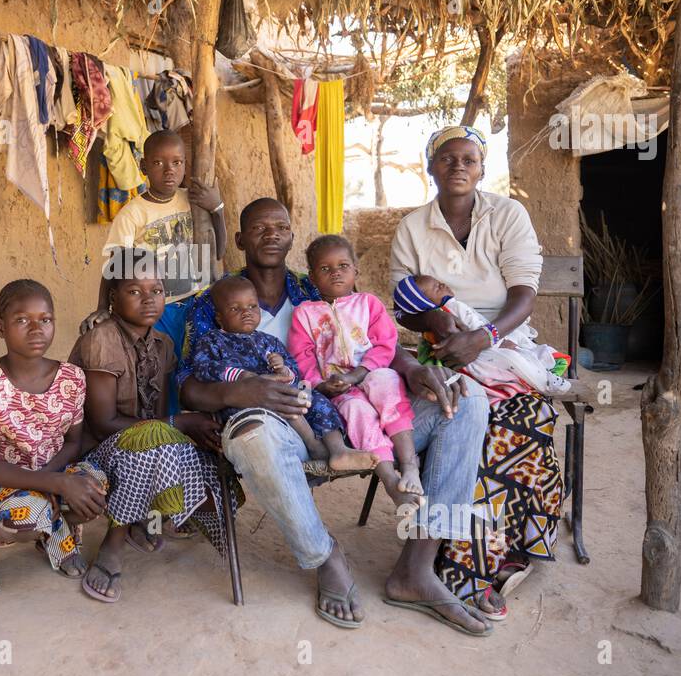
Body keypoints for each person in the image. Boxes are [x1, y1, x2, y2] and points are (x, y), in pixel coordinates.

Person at [179, 198, 493, 634]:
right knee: (255, 437)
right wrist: (238, 390)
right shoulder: (215, 300)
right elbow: (187, 382)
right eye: (259, 228)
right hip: (277, 428)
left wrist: (417, 369)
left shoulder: (318, 287)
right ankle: (325, 557)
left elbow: (374, 346)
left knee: (466, 402)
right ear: (240, 239)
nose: (271, 235)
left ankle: (417, 568)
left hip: (353, 412)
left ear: (292, 236)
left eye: (281, 227)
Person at [390, 124, 562, 613]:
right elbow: (404, 306)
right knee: (465, 414)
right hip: (441, 345)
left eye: (469, 159)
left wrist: (484, 336)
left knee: (520, 421)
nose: (458, 166)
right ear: (430, 167)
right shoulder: (412, 227)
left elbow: (525, 292)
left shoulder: (508, 214)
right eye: (447, 159)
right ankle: (465, 565)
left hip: (502, 340)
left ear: (482, 167)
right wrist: (443, 322)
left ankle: (497, 554)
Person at [68, 249, 228, 604]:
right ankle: (113, 542)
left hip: (136, 442)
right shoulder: (102, 340)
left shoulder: (163, 345)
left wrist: (180, 427)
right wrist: (178, 423)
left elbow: (153, 415)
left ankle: (143, 517)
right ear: (113, 297)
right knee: (159, 438)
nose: (148, 300)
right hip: (94, 449)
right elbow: (103, 421)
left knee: (193, 449)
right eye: (134, 291)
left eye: (156, 290)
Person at [0, 280, 110, 593]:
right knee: (29, 516)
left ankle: (52, 535)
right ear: (0, 328)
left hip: (54, 471)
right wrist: (55, 486)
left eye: (45, 320)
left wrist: (52, 481)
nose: (36, 329)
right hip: (3, 483)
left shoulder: (72, 377)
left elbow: (73, 443)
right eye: (22, 320)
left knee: (95, 488)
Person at [288, 234, 424, 506]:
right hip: (337, 388)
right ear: (312, 278)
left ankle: (409, 464)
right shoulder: (304, 314)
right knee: (355, 410)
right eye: (325, 269)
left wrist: (358, 374)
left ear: (355, 271)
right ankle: (390, 481)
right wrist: (320, 384)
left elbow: (386, 345)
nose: (335, 273)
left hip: (371, 373)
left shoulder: (369, 304)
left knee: (385, 382)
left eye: (343, 266)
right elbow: (301, 358)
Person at [188, 275, 373, 470]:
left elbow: (294, 368)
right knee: (278, 404)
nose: (246, 313)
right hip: (247, 402)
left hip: (282, 391)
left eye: (252, 306)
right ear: (219, 317)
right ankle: (313, 445)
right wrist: (240, 376)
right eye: (235, 309)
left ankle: (338, 449)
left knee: (316, 399)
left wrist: (283, 369)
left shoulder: (269, 341)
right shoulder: (212, 341)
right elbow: (202, 367)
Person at [81, 130, 226, 360]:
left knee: (198, 365)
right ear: (144, 167)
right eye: (158, 162)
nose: (169, 171)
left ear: (185, 165)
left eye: (177, 162)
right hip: (159, 310)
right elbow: (115, 264)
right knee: (165, 367)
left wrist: (217, 209)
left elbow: (219, 251)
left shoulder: (195, 201)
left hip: (198, 302)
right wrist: (102, 307)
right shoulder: (133, 214)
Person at [393, 273, 573, 398]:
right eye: (437, 288)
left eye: (440, 282)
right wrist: (500, 344)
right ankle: (543, 381)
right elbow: (477, 327)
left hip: (479, 348)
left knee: (519, 352)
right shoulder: (453, 309)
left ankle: (540, 368)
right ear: (424, 302)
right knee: (514, 360)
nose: (444, 285)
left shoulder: (445, 313)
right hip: (482, 353)